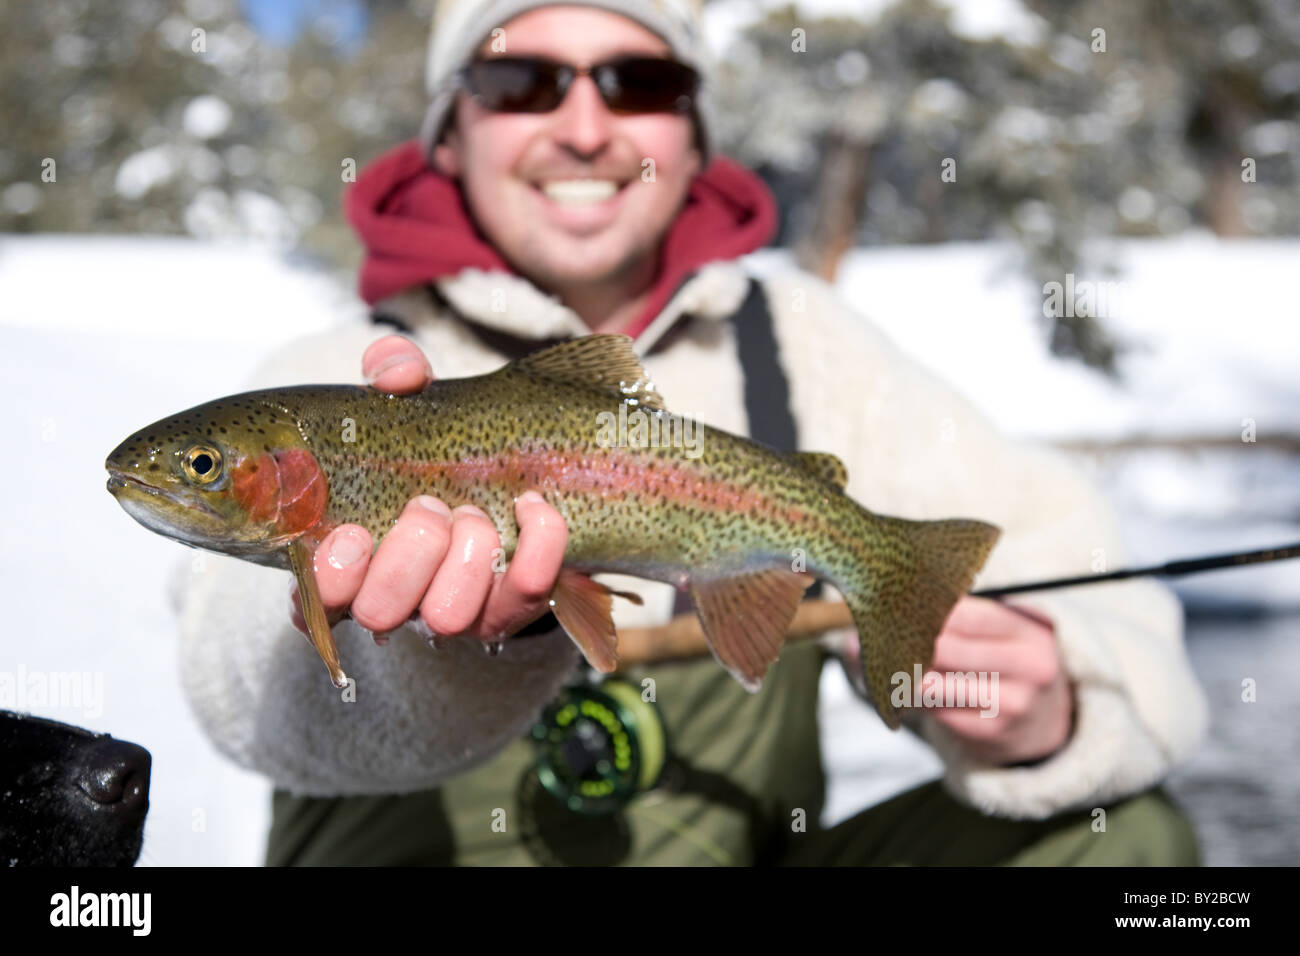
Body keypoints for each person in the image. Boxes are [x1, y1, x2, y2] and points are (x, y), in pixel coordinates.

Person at [173, 0, 1208, 865]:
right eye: (519, 82)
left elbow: (1081, 566)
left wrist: (1051, 704)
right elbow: (234, 686)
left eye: (638, 82)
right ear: (447, 126)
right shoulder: (342, 369)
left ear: (695, 131)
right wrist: (449, 655)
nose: (584, 126)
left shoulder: (803, 345)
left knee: (1128, 844)